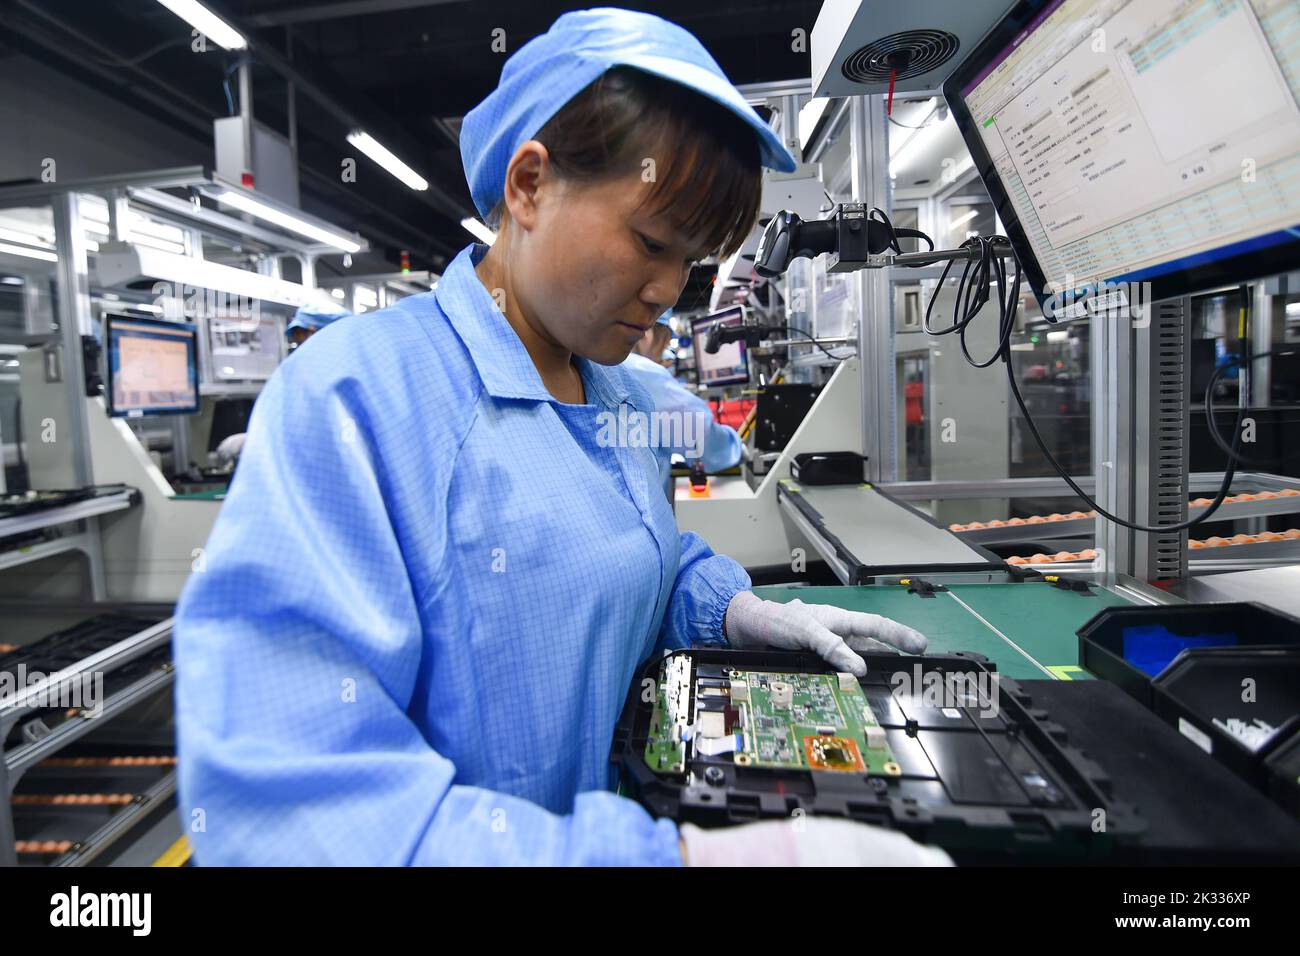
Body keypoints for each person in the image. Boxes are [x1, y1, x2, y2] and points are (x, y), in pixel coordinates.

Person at [173, 7, 944, 866]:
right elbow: (286, 811)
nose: (667, 292)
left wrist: (732, 607)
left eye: (691, 260)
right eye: (651, 241)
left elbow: (633, 561)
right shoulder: (354, 400)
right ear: (530, 184)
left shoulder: (621, 393)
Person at [212, 301, 353, 466]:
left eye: (302, 335)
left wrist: (257, 443)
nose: (299, 343)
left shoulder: (339, 377)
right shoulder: (304, 374)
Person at [623, 313, 742, 495]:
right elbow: (700, 436)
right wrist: (736, 447)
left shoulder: (599, 362)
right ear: (647, 333)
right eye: (664, 342)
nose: (662, 352)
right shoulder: (641, 371)